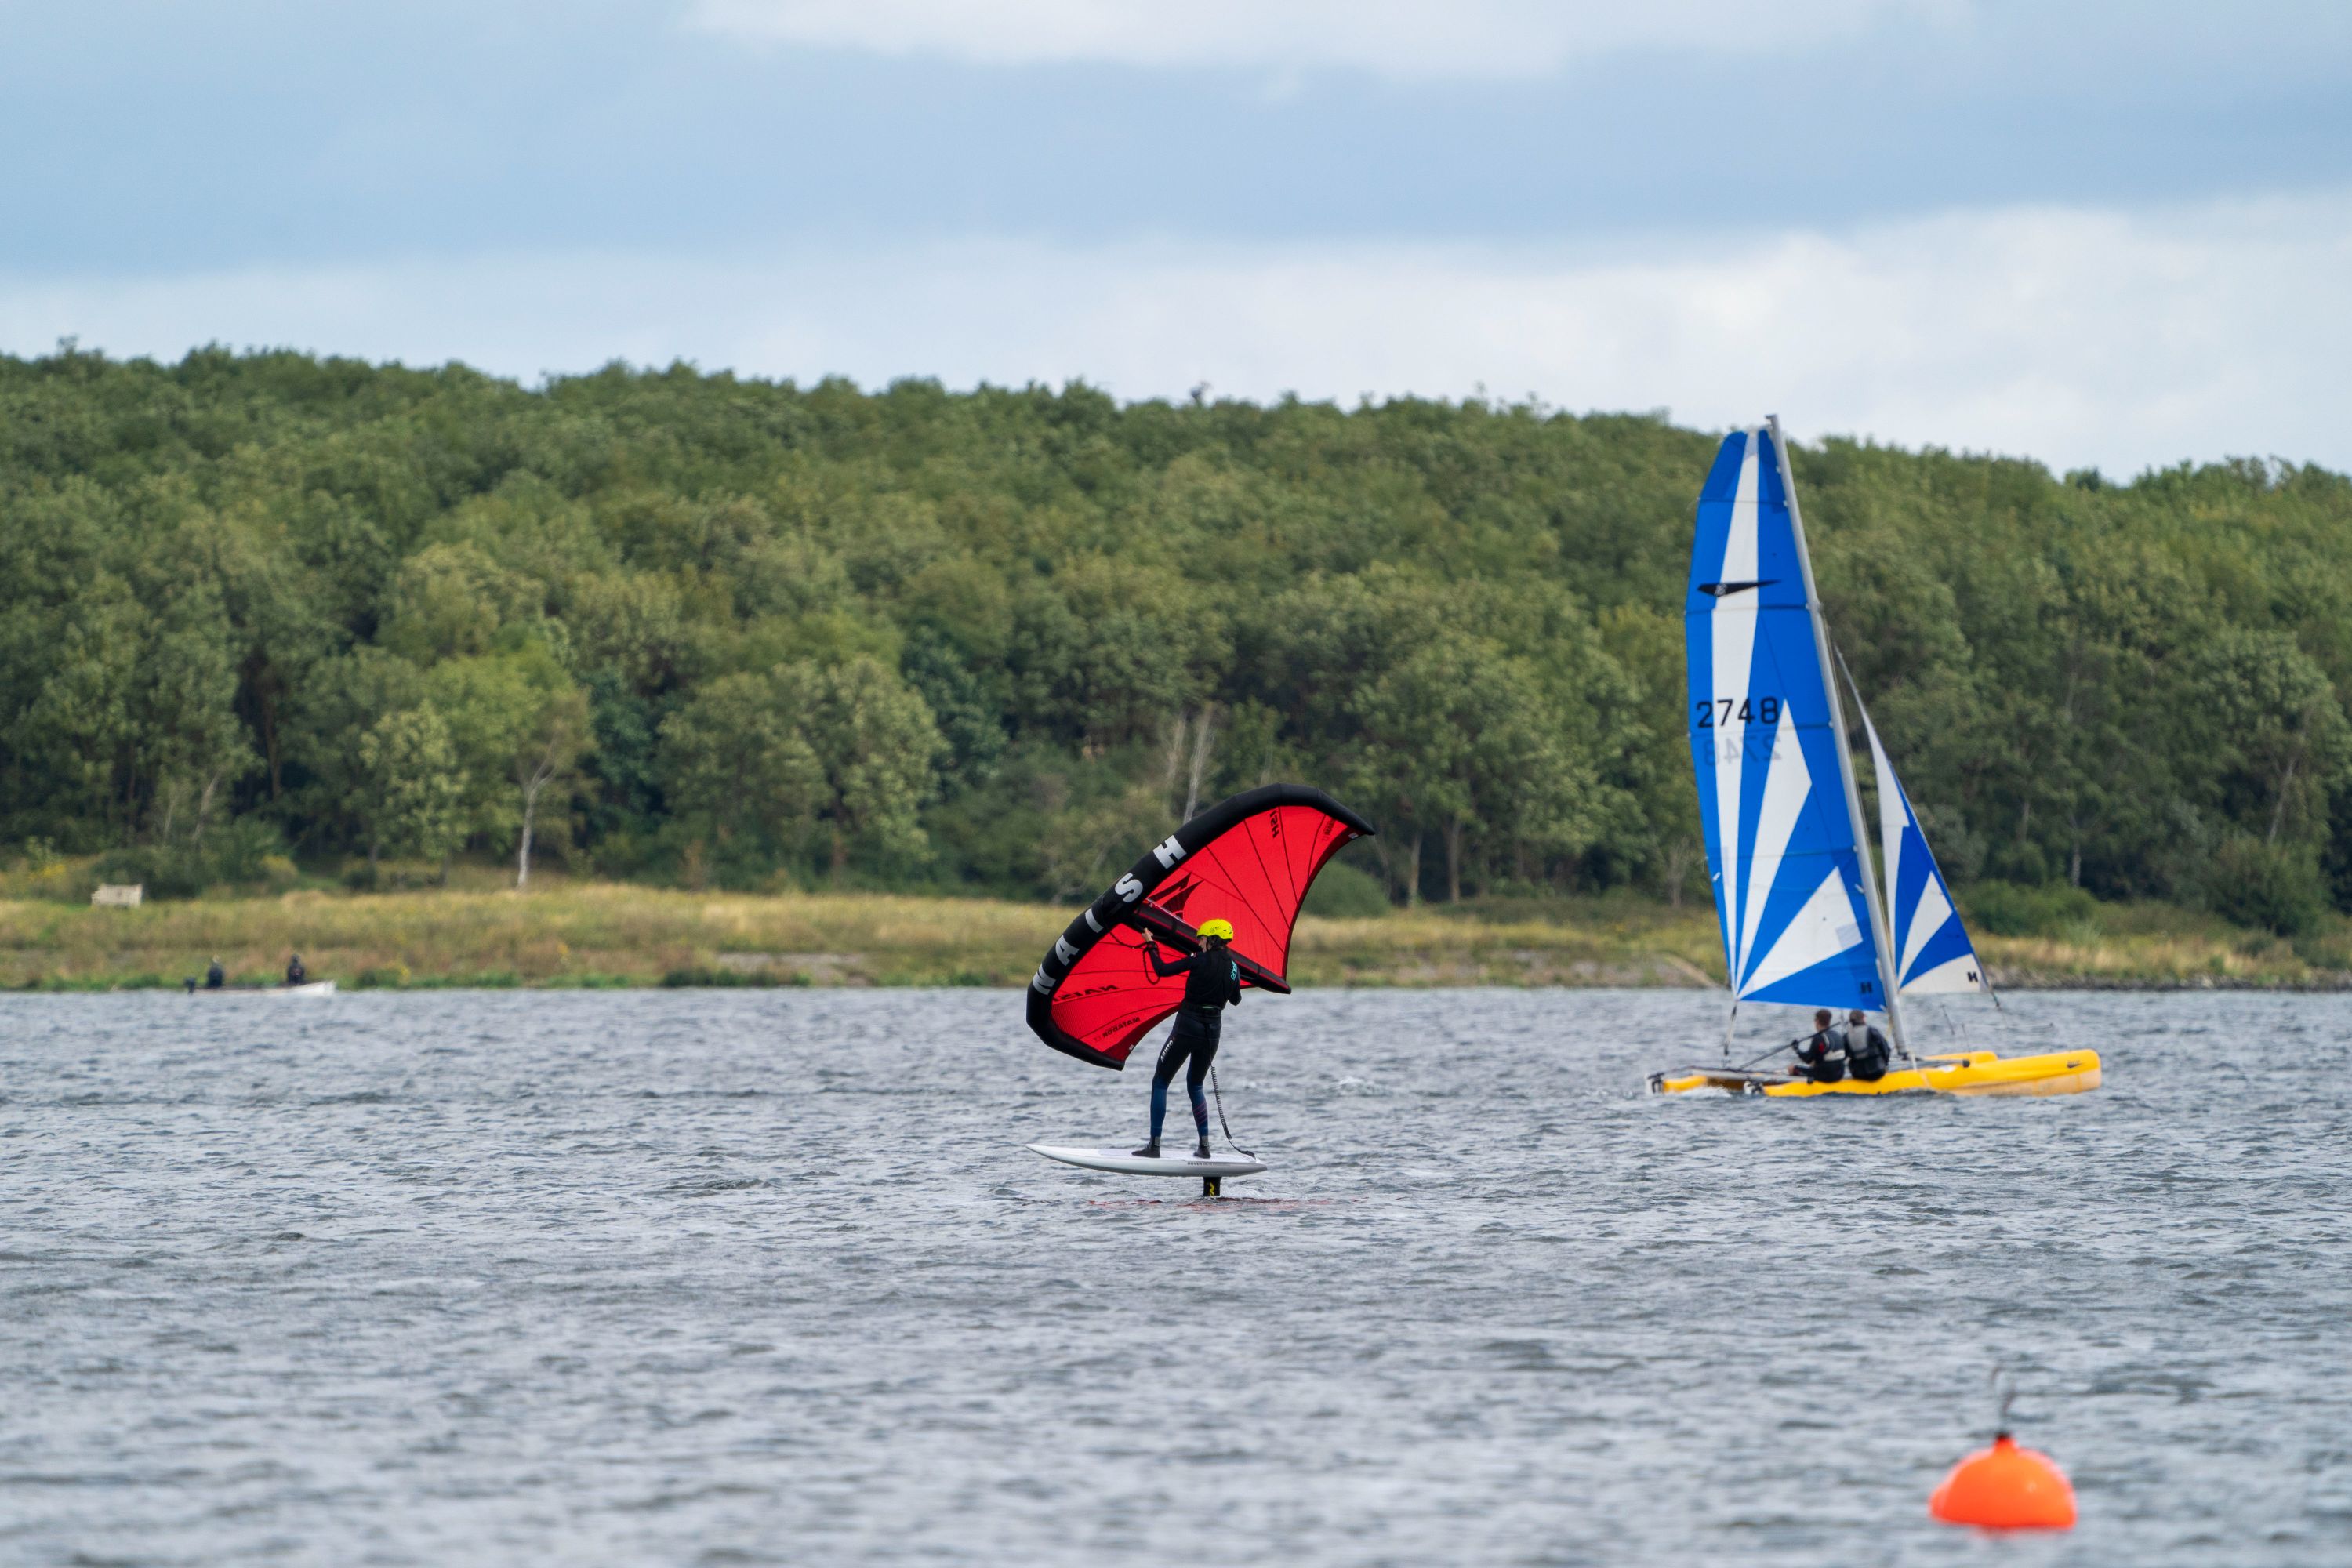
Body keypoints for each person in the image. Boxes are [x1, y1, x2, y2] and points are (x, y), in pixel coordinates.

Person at [1131, 918, 1243, 1160]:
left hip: (1187, 1027)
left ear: (1212, 940)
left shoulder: (1198, 959)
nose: (1199, 943)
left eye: (1201, 939)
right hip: (1212, 1032)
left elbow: (1161, 970)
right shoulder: (1234, 967)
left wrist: (1150, 944)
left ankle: (1154, 1146)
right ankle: (1204, 1147)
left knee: (1160, 1081)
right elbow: (1236, 1000)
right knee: (1195, 1086)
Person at [1788, 1008, 1846, 1083]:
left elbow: (1808, 1060)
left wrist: (1797, 1049)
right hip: (1840, 1074)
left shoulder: (1818, 1038)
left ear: (1817, 1021)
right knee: (1816, 1062)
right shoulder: (1837, 1035)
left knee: (1791, 1069)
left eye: (1815, 1020)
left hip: (1826, 1076)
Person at [1842, 1008, 1892, 1082]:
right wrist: (1886, 1064)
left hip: (1858, 1075)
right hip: (1878, 1072)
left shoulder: (1846, 1036)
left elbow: (1843, 1056)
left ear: (1851, 1022)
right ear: (1863, 1018)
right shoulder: (1872, 1031)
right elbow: (1885, 1049)